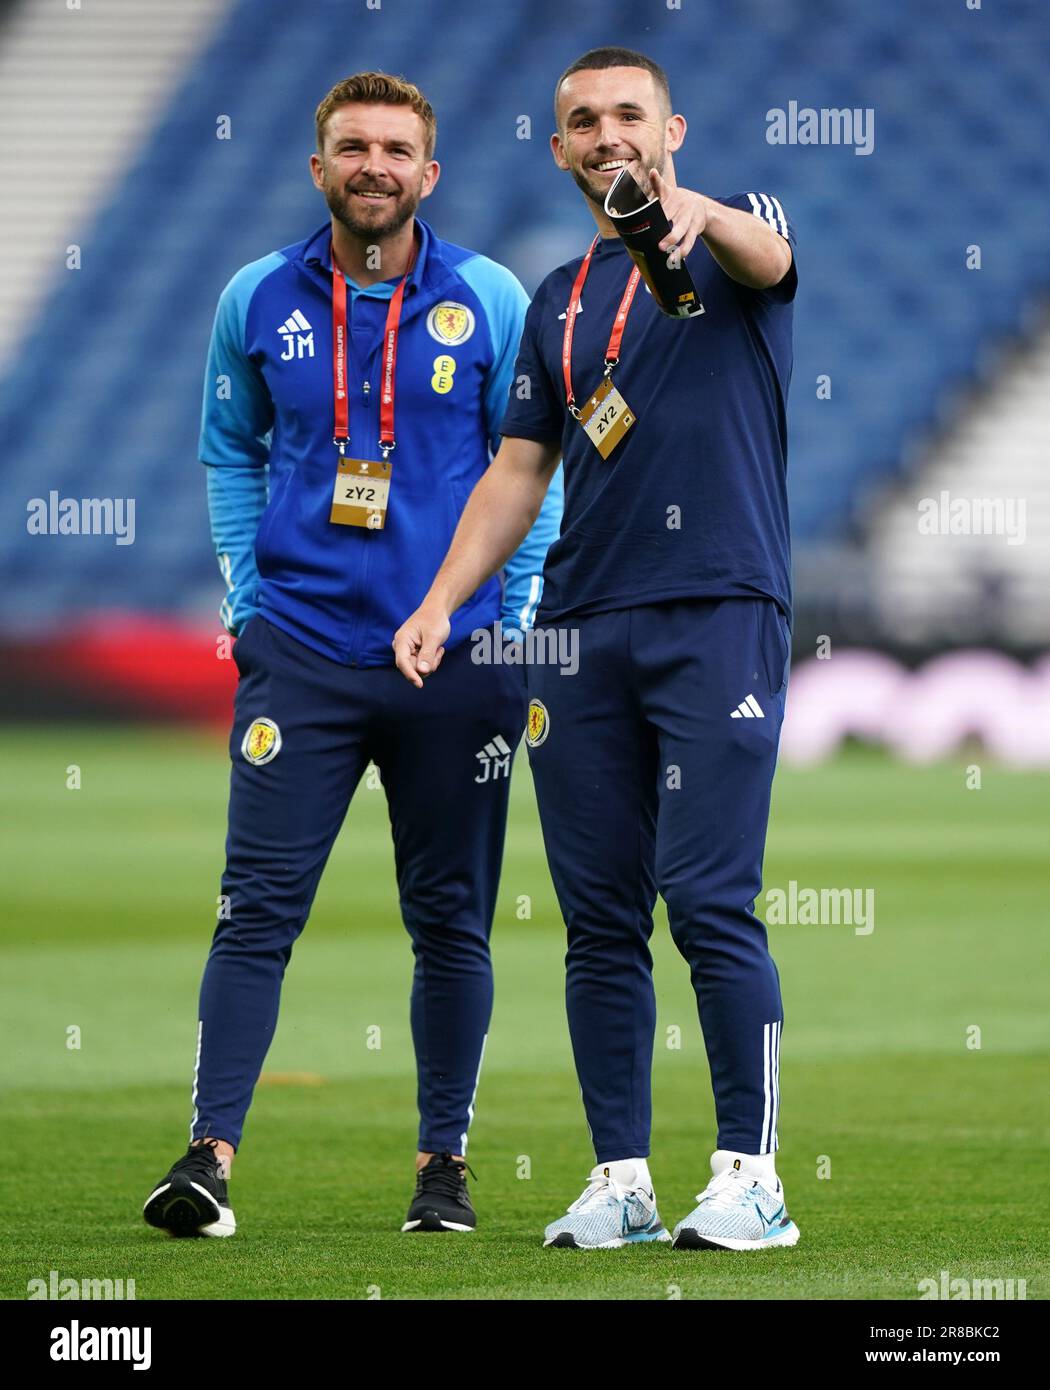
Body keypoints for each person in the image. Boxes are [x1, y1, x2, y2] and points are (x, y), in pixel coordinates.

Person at [143, 71, 562, 1239]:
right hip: (305, 653)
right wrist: (247, 597)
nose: (372, 164)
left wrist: (509, 618)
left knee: (450, 920)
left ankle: (444, 1169)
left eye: (395, 149)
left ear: (430, 173)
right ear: (316, 166)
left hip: (455, 659)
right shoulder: (256, 298)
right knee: (255, 910)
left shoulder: (489, 298)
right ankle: (208, 1158)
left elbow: (534, 468)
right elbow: (229, 450)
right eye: (350, 146)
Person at [394, 46, 799, 1251]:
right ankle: (621, 1174)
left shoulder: (736, 236)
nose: (607, 132)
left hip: (717, 605)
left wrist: (693, 214)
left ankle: (753, 1176)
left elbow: (769, 258)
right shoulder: (557, 297)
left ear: (673, 129)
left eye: (630, 114)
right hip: (575, 634)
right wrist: (441, 601)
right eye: (583, 120)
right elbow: (519, 471)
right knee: (598, 917)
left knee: (711, 898)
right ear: (557, 147)